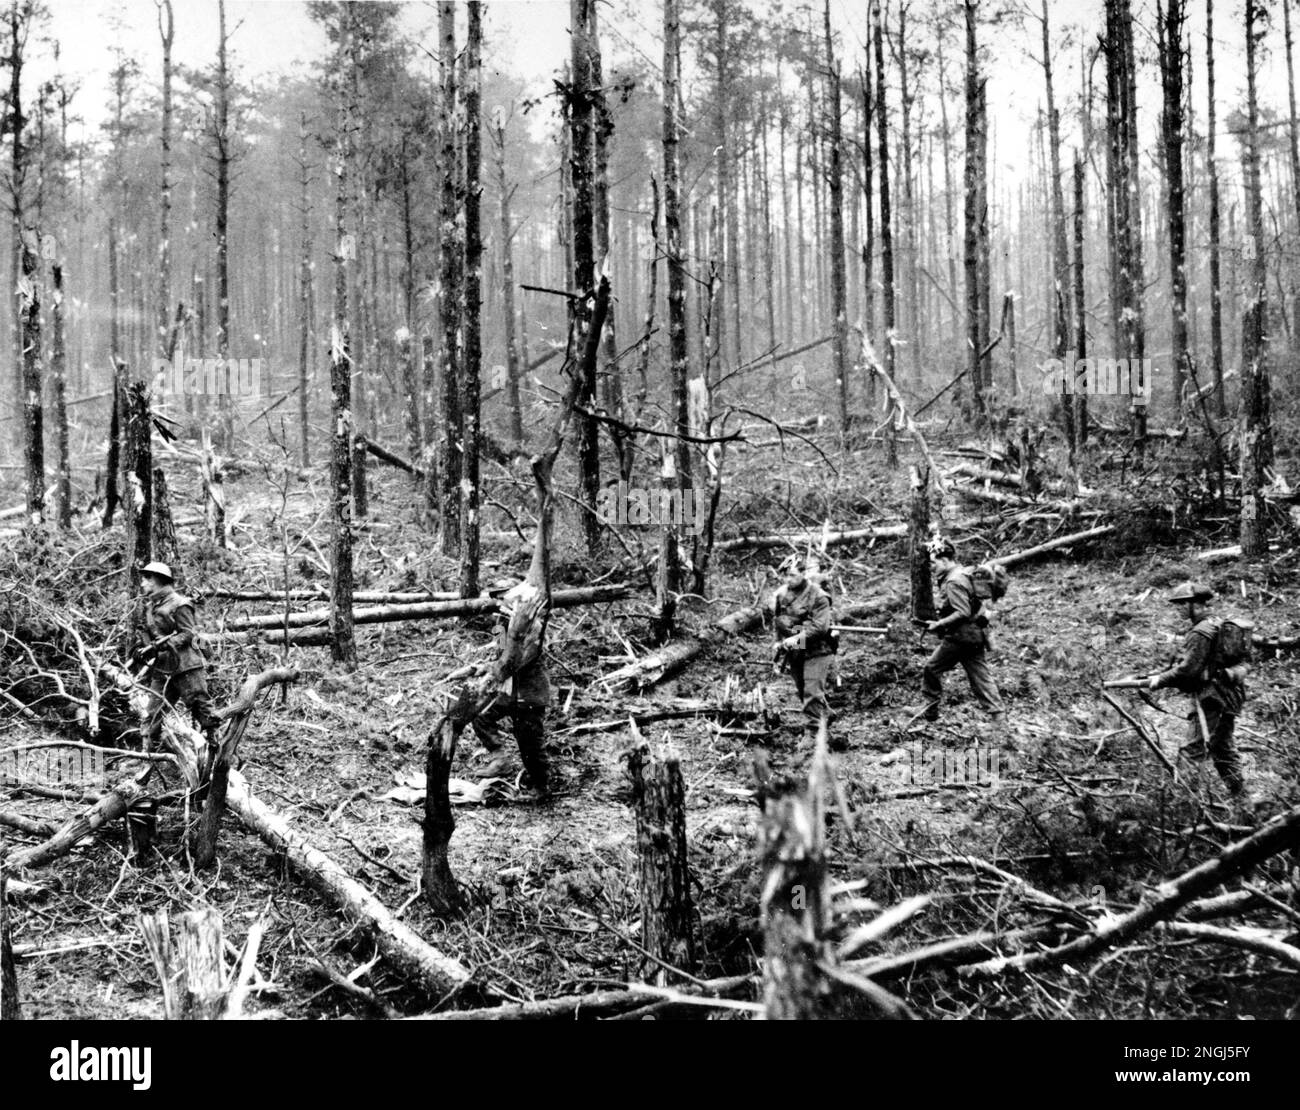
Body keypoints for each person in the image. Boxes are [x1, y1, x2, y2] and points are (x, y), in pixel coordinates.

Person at [1147, 582, 1249, 800]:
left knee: (1191, 751)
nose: (1179, 609)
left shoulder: (1201, 632)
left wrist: (1159, 680)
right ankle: (1242, 801)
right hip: (1230, 695)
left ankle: (1185, 803)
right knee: (1223, 749)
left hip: (1211, 697)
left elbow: (1187, 671)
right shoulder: (1216, 623)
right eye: (1178, 605)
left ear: (1197, 605)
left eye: (1183, 604)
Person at [470, 583, 553, 799]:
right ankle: (500, 759)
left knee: (529, 741)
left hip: (529, 693)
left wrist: (495, 671)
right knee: (480, 714)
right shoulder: (499, 623)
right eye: (496, 598)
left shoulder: (532, 626)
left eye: (503, 597)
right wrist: (485, 666)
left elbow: (519, 660)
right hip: (508, 691)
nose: (500, 602)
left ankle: (541, 786)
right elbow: (499, 653)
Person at [132, 562, 220, 753]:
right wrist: (141, 649)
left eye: (147, 579)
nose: (143, 583)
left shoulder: (180, 604)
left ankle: (216, 750)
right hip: (163, 667)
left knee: (200, 706)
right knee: (153, 712)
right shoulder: (150, 607)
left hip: (186, 665)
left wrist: (165, 644)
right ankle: (150, 756)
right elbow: (149, 635)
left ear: (157, 580)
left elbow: (188, 633)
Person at [919, 539, 1005, 724]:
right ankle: (999, 718)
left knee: (931, 668)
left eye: (933, 562)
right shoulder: (963, 572)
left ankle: (930, 710)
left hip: (960, 637)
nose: (932, 567)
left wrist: (939, 624)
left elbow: (963, 612)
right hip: (975, 635)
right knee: (981, 677)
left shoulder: (953, 581)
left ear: (944, 561)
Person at [772, 553, 839, 750]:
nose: (788, 580)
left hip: (820, 647)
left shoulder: (818, 596)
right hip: (797, 645)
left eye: (792, 575)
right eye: (785, 576)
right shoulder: (782, 595)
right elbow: (779, 622)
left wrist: (795, 639)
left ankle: (812, 734)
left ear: (803, 574)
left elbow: (820, 627)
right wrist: (778, 642)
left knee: (812, 690)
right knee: (802, 688)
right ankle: (824, 714)